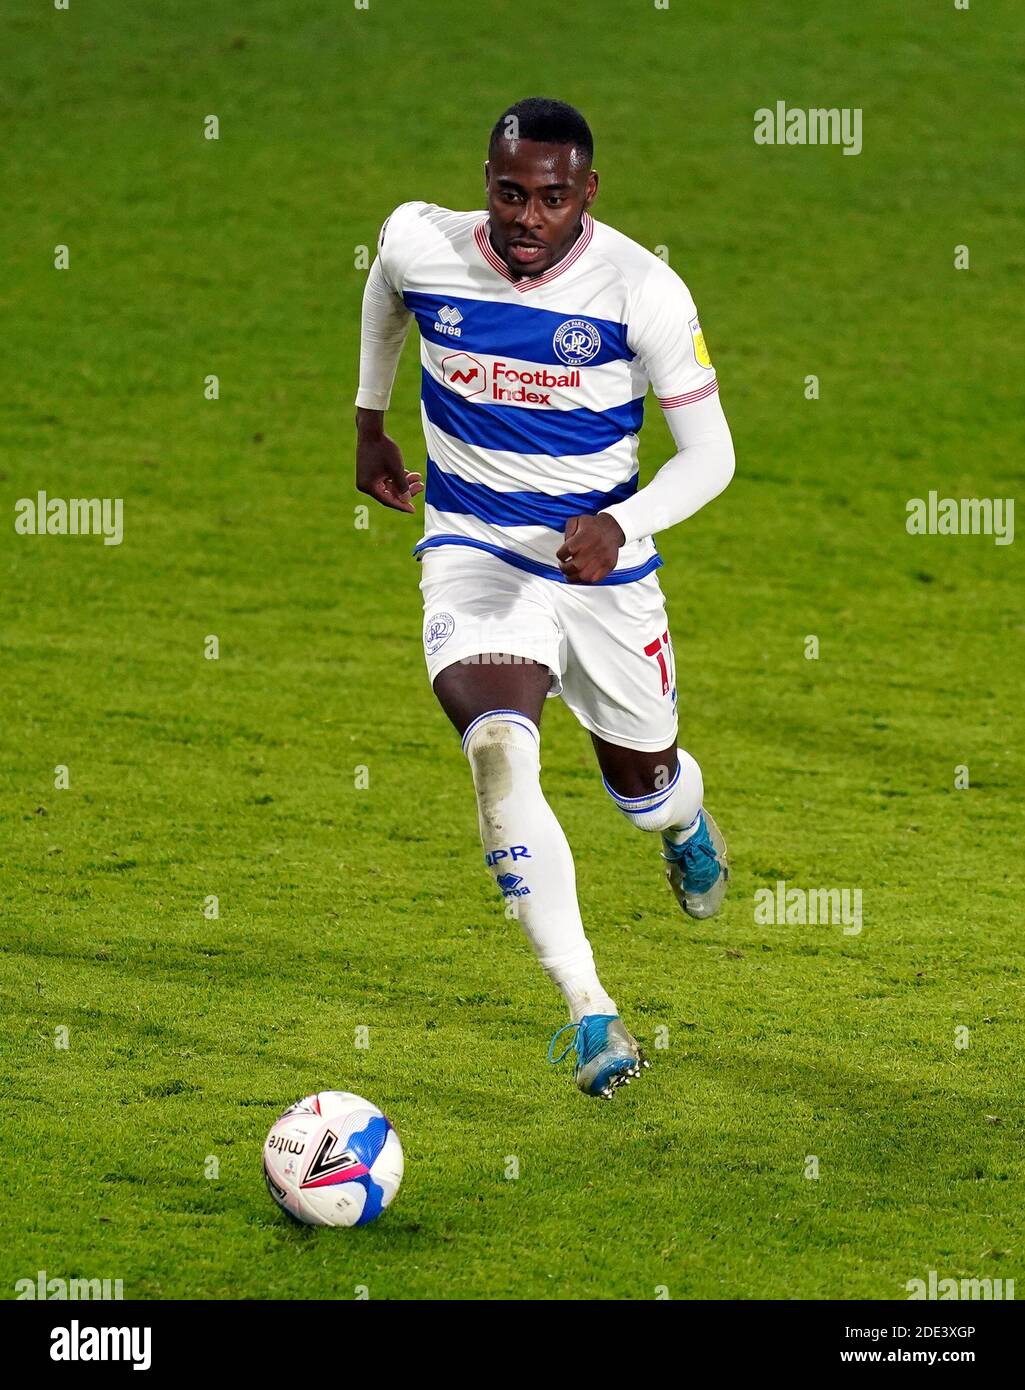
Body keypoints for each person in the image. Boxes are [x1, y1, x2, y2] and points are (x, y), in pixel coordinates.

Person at [355, 97, 735, 1100]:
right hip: (471, 547)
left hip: (600, 572)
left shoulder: (641, 292)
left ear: (588, 196)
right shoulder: (418, 239)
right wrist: (369, 419)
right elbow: (389, 290)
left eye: (552, 199)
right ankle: (589, 1008)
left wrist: (624, 523)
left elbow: (712, 458)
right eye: (509, 193)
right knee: (494, 747)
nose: (527, 217)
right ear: (486, 182)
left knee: (643, 787)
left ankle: (682, 822)